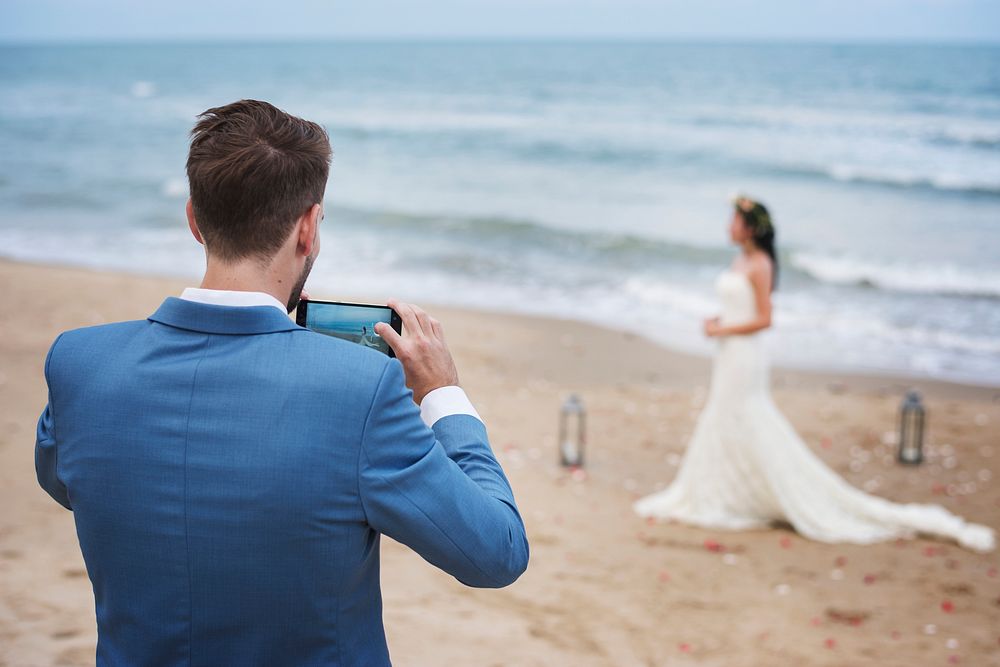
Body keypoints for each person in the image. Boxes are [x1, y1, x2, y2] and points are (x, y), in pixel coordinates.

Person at [34, 99, 529, 666]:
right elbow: (496, 554)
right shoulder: (361, 391)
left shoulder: (78, 362)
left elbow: (68, 482)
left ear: (194, 219)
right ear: (309, 228)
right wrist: (442, 395)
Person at [633, 196, 994, 553]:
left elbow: (764, 318)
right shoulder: (739, 259)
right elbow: (737, 307)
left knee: (748, 414)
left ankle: (763, 491)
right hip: (728, 352)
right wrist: (718, 322)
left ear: (750, 228)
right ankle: (727, 490)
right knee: (723, 415)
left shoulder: (760, 264)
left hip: (744, 354)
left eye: (734, 221)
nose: (728, 227)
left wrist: (722, 331)